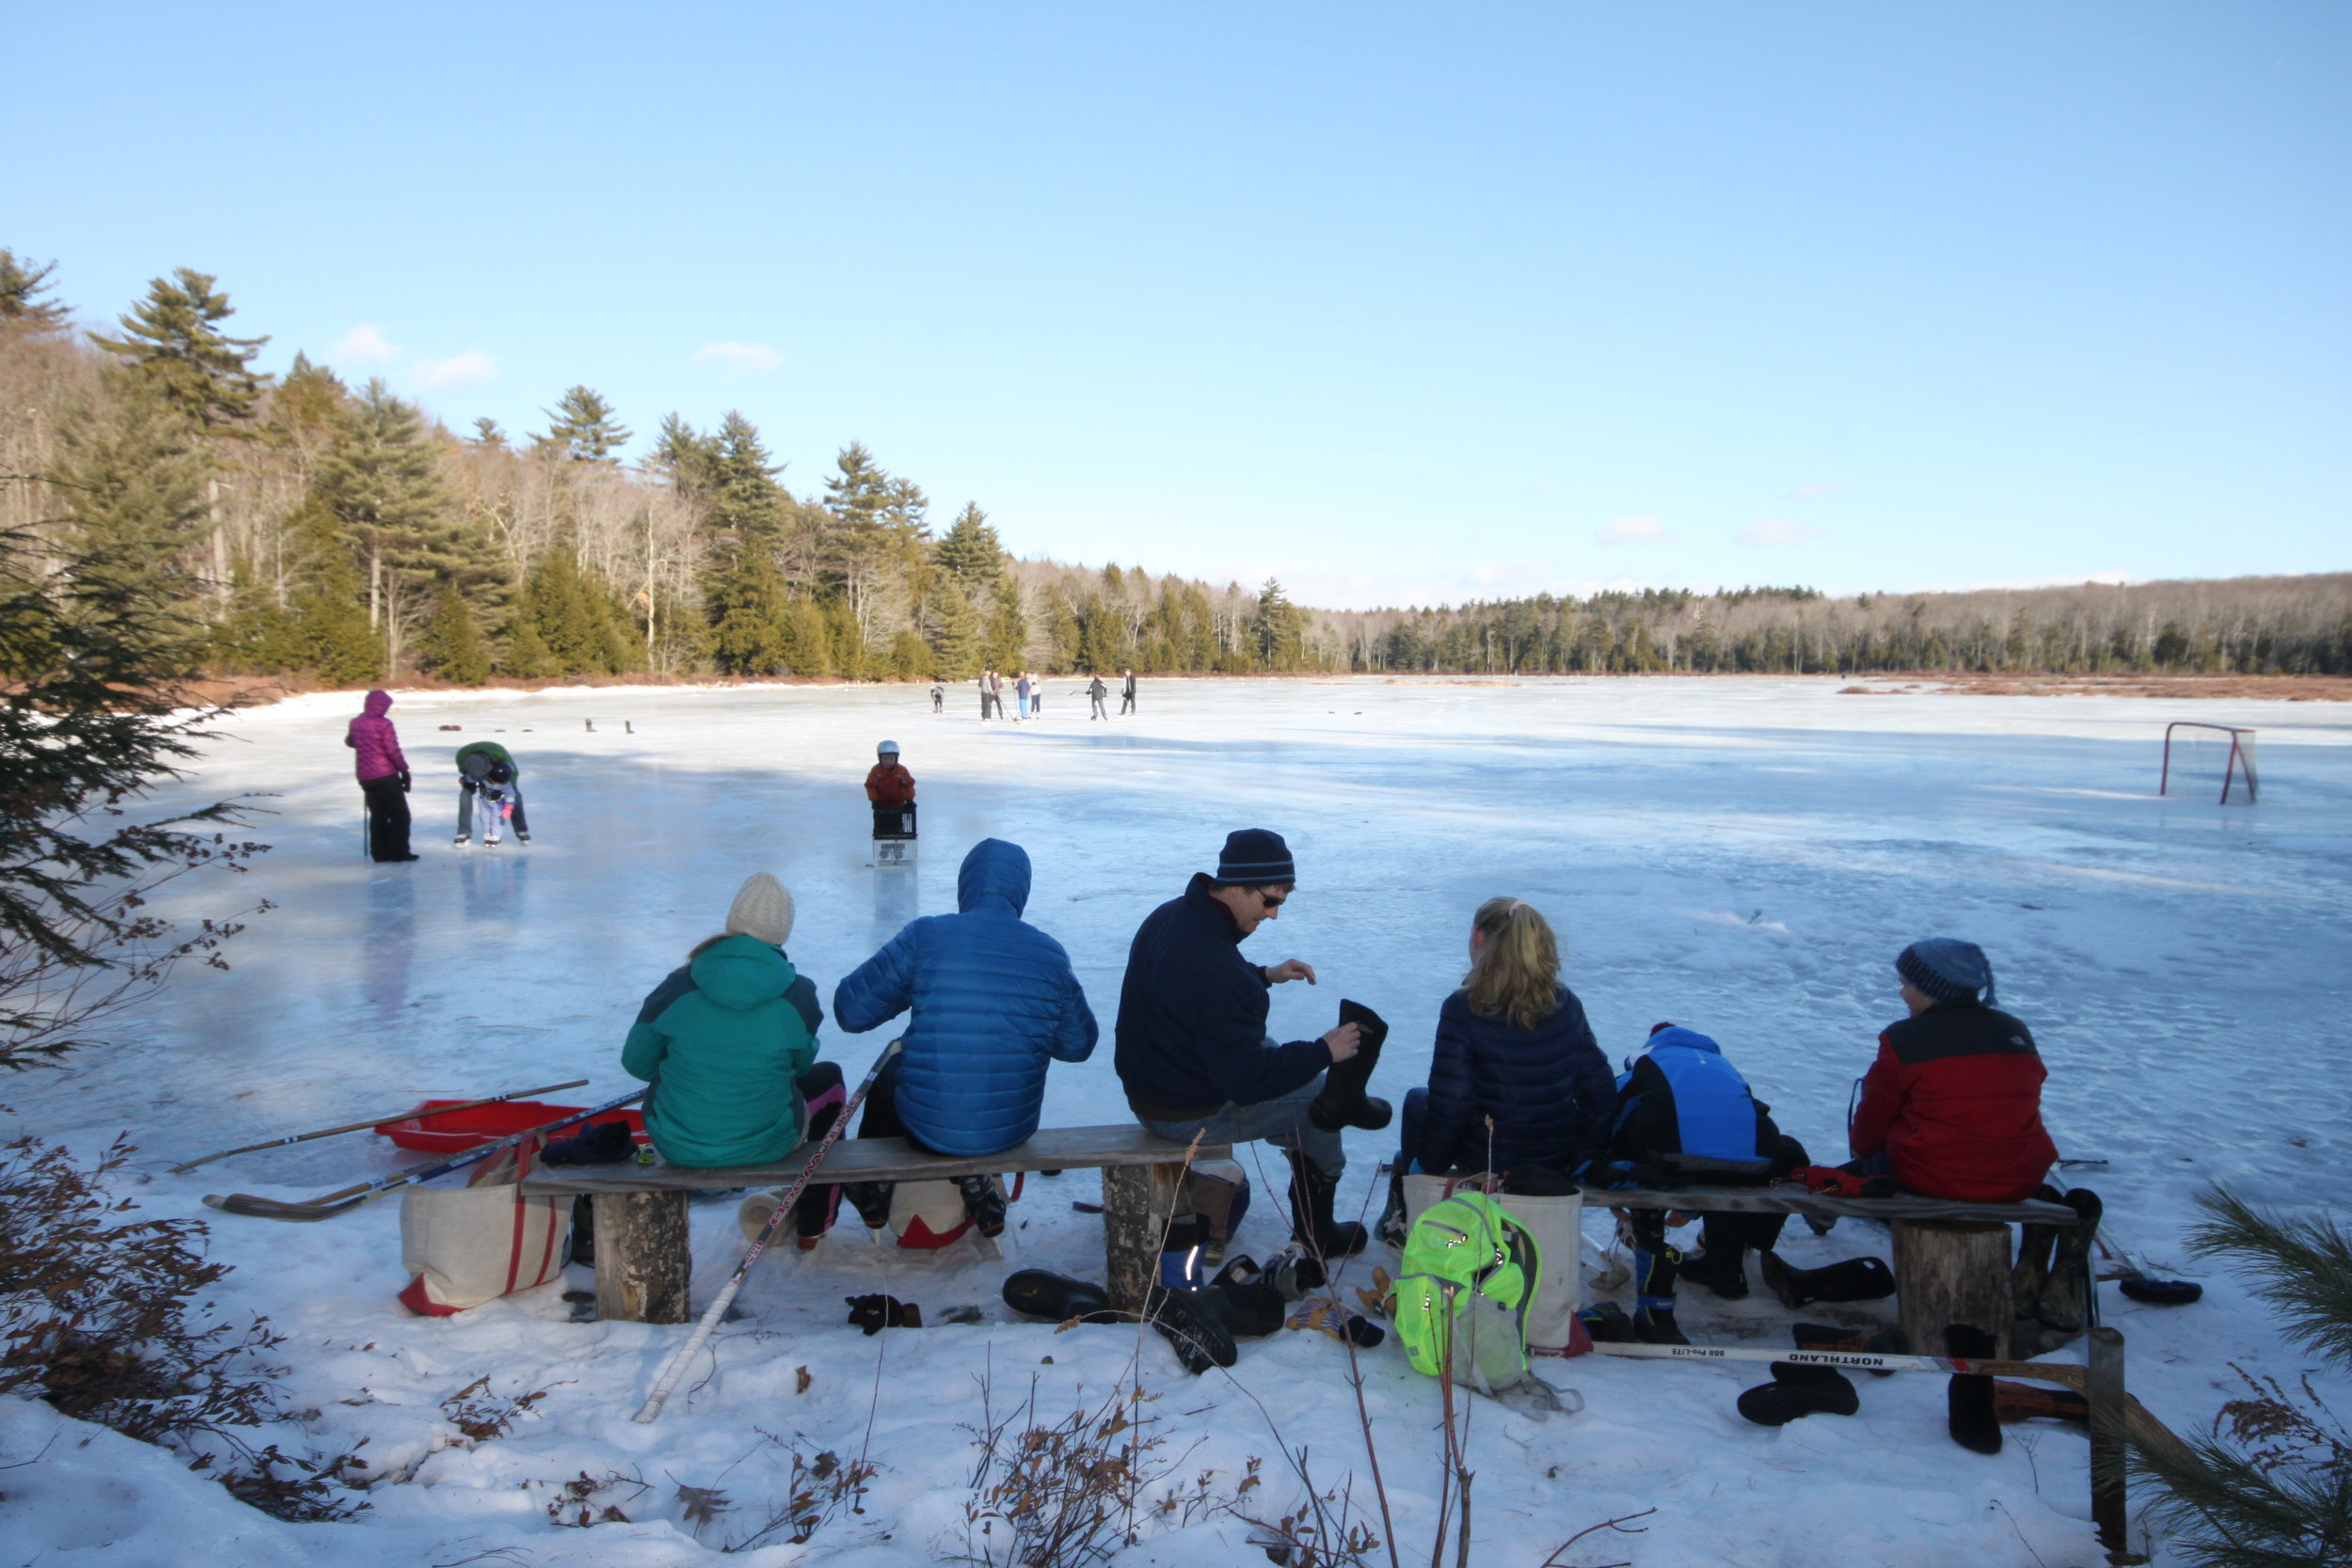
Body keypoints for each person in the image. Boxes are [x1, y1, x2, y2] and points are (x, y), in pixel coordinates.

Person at [1115, 829, 1377, 1257]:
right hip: (1184, 1113)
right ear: (1237, 886)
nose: (1273, 915)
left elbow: (1193, 992)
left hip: (1153, 1087)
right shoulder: (1218, 966)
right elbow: (1247, 1082)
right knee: (1319, 1102)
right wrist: (1322, 1051)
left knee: (1270, 1048)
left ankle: (1301, 1157)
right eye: (1269, 901)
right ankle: (1319, 1227)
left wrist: (1263, 975)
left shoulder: (1173, 916)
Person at [832, 838, 1098, 1235]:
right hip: (1011, 1131)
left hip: (928, 1130)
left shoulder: (928, 936)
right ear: (1020, 891)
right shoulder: (1050, 954)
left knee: (892, 1069)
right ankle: (976, 1183)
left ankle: (872, 1183)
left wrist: (915, 985)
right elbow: (1078, 1046)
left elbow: (851, 1012)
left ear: (967, 884)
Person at [1384, 899, 1613, 1231]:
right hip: (1553, 1157)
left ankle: (1410, 1216)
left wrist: (1425, 1169)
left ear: (1479, 938)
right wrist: (1585, 1156)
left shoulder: (1464, 1009)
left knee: (1417, 1102)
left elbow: (1452, 1104)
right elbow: (1600, 1088)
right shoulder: (1565, 1003)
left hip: (1490, 1159)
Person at [1600, 1023, 1819, 1344]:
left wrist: (1608, 1175)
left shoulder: (1650, 1061)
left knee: (1655, 1154)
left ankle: (1656, 1307)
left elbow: (1611, 1112)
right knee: (1754, 1161)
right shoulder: (1722, 1067)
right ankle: (1728, 1266)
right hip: (1751, 1164)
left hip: (1673, 1162)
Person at [622, 873, 843, 1176]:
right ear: (783, 932)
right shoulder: (798, 994)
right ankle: (814, 1213)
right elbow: (800, 1067)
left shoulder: (678, 986)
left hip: (677, 1144)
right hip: (769, 1144)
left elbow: (637, 1064)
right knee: (829, 1079)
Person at [1850, 940, 2057, 1202]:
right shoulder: (2012, 1029)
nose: (1902, 993)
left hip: (1935, 1174)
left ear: (1928, 989)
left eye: (1905, 984)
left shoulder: (1904, 1038)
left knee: (1864, 1172)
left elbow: (1878, 1110)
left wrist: (1861, 1151)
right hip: (2021, 1174)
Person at [346, 689, 417, 863]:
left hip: (365, 777)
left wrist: (365, 741)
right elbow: (392, 750)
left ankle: (379, 853)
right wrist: (405, 771)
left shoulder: (356, 722)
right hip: (385, 775)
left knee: (378, 815)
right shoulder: (384, 724)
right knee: (400, 815)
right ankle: (399, 852)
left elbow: (350, 742)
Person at [453, 739, 531, 847]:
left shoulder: (499, 754)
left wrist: (503, 791)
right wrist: (467, 780)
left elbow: (513, 774)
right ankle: (463, 832)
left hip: (495, 767)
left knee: (515, 794)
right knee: (465, 795)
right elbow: (465, 774)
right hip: (473, 773)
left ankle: (521, 830)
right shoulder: (461, 757)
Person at [865, 741, 915, 838]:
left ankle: (898, 849)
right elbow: (870, 785)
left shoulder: (902, 771)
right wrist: (875, 800)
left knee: (897, 828)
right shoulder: (876, 771)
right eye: (885, 759)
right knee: (882, 829)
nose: (888, 762)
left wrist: (909, 799)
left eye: (891, 759)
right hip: (881, 806)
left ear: (896, 758)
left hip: (899, 806)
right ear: (880, 758)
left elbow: (908, 784)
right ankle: (883, 850)